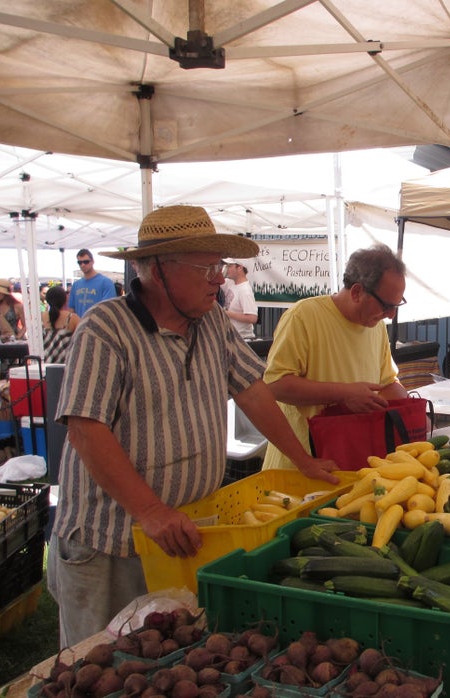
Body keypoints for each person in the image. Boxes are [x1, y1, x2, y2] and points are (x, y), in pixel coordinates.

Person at [46, 205, 339, 648]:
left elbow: (253, 391)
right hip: (110, 542)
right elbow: (87, 430)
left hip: (184, 535)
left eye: (219, 266)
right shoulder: (105, 329)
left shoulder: (213, 323)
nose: (218, 278)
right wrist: (151, 511)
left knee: (172, 656)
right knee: (100, 662)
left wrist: (304, 461)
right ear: (157, 271)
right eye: (206, 267)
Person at [261, 243, 410, 471]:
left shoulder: (375, 325)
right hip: (300, 468)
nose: (391, 315)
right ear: (357, 292)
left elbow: (387, 382)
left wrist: (412, 412)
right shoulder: (303, 316)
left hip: (353, 464)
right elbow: (275, 385)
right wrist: (345, 394)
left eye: (397, 305)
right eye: (387, 305)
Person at [68, 248, 117, 316]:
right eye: (80, 262)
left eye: (86, 262)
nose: (83, 265)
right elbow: (71, 309)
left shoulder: (106, 282)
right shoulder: (76, 285)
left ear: (92, 261)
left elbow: (108, 309)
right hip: (80, 325)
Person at [41, 285, 80, 363]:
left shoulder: (41, 317)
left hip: (44, 363)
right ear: (65, 300)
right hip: (66, 364)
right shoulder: (72, 318)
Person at [221, 258, 259, 340]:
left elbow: (252, 318)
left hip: (241, 338)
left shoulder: (245, 291)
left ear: (240, 268)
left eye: (230, 266)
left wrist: (226, 313)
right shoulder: (230, 282)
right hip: (230, 336)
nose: (227, 269)